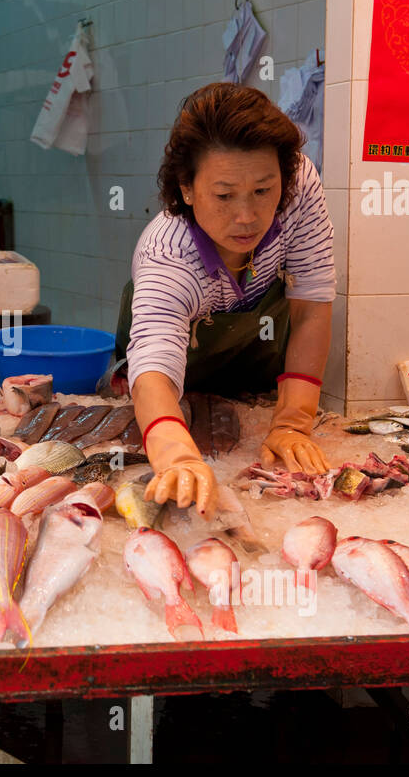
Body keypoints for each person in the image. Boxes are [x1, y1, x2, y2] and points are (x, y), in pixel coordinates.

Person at [127, 82, 336, 517]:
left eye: (263, 191)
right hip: (173, 392)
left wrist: (293, 423)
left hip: (257, 386)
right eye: (223, 196)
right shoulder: (167, 253)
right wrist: (177, 455)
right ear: (187, 188)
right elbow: (153, 364)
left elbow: (311, 302)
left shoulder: (299, 186)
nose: (247, 216)